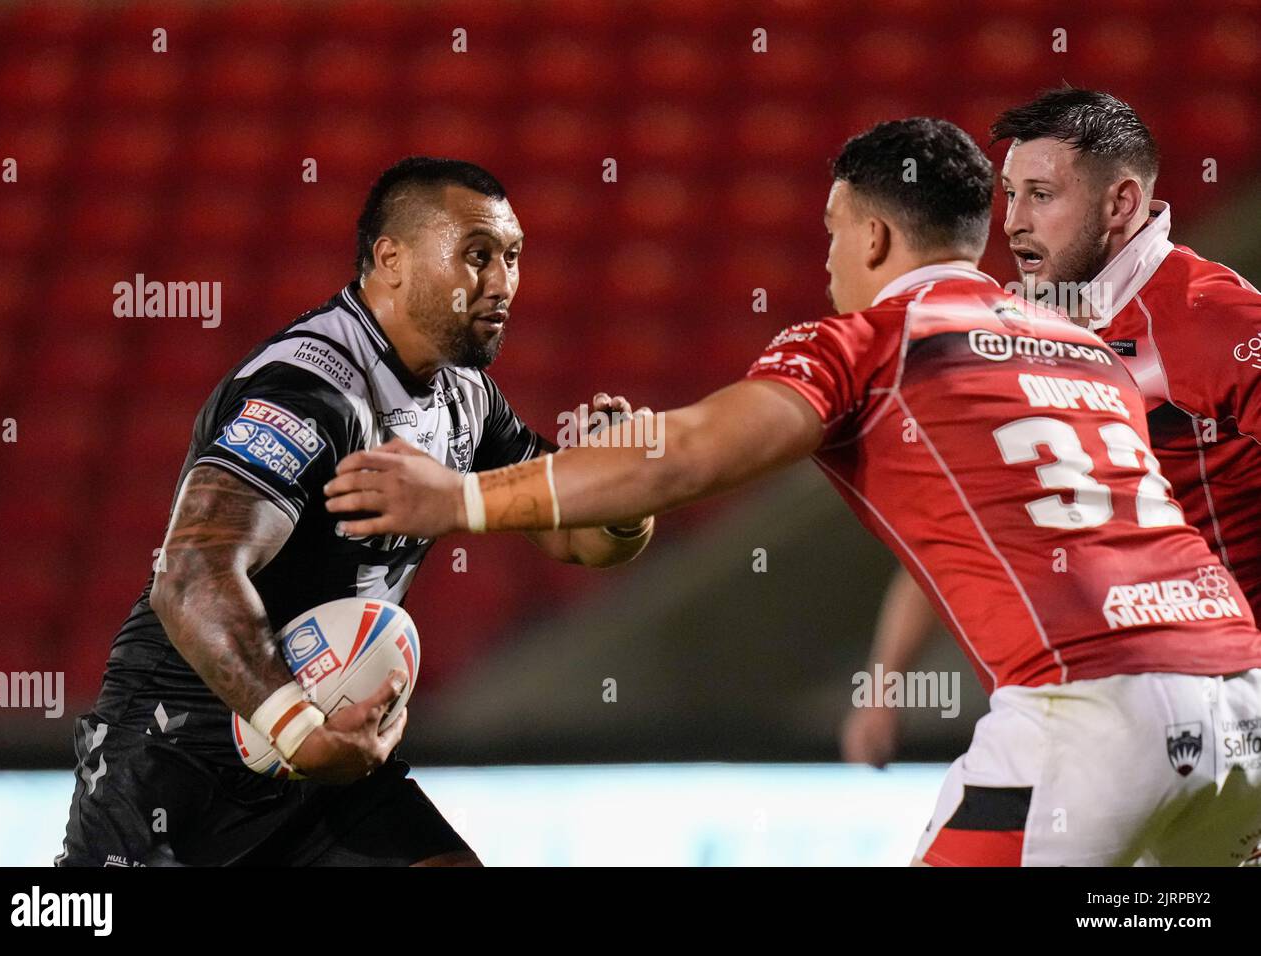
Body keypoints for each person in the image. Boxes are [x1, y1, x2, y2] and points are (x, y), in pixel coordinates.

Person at [324, 121, 1261, 866]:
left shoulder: (870, 340)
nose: (825, 264)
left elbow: (682, 455)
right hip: (1242, 702)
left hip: (1091, 724)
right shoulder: (1089, 351)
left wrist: (459, 499)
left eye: (831, 235)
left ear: (876, 235)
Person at [56, 157, 653, 867]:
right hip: (181, 758)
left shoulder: (466, 398)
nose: (502, 283)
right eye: (476, 255)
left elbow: (578, 542)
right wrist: (298, 728)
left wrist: (622, 489)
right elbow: (189, 573)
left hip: (324, 752)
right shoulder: (307, 392)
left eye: (513, 257)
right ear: (391, 260)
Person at [846, 89, 1261, 776]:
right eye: (1009, 195)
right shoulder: (1013, 330)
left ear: (1121, 205)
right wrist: (886, 686)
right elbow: (978, 516)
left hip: (1221, 703)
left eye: (1041, 195)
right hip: (1102, 706)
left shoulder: (1218, 321)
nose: (1013, 223)